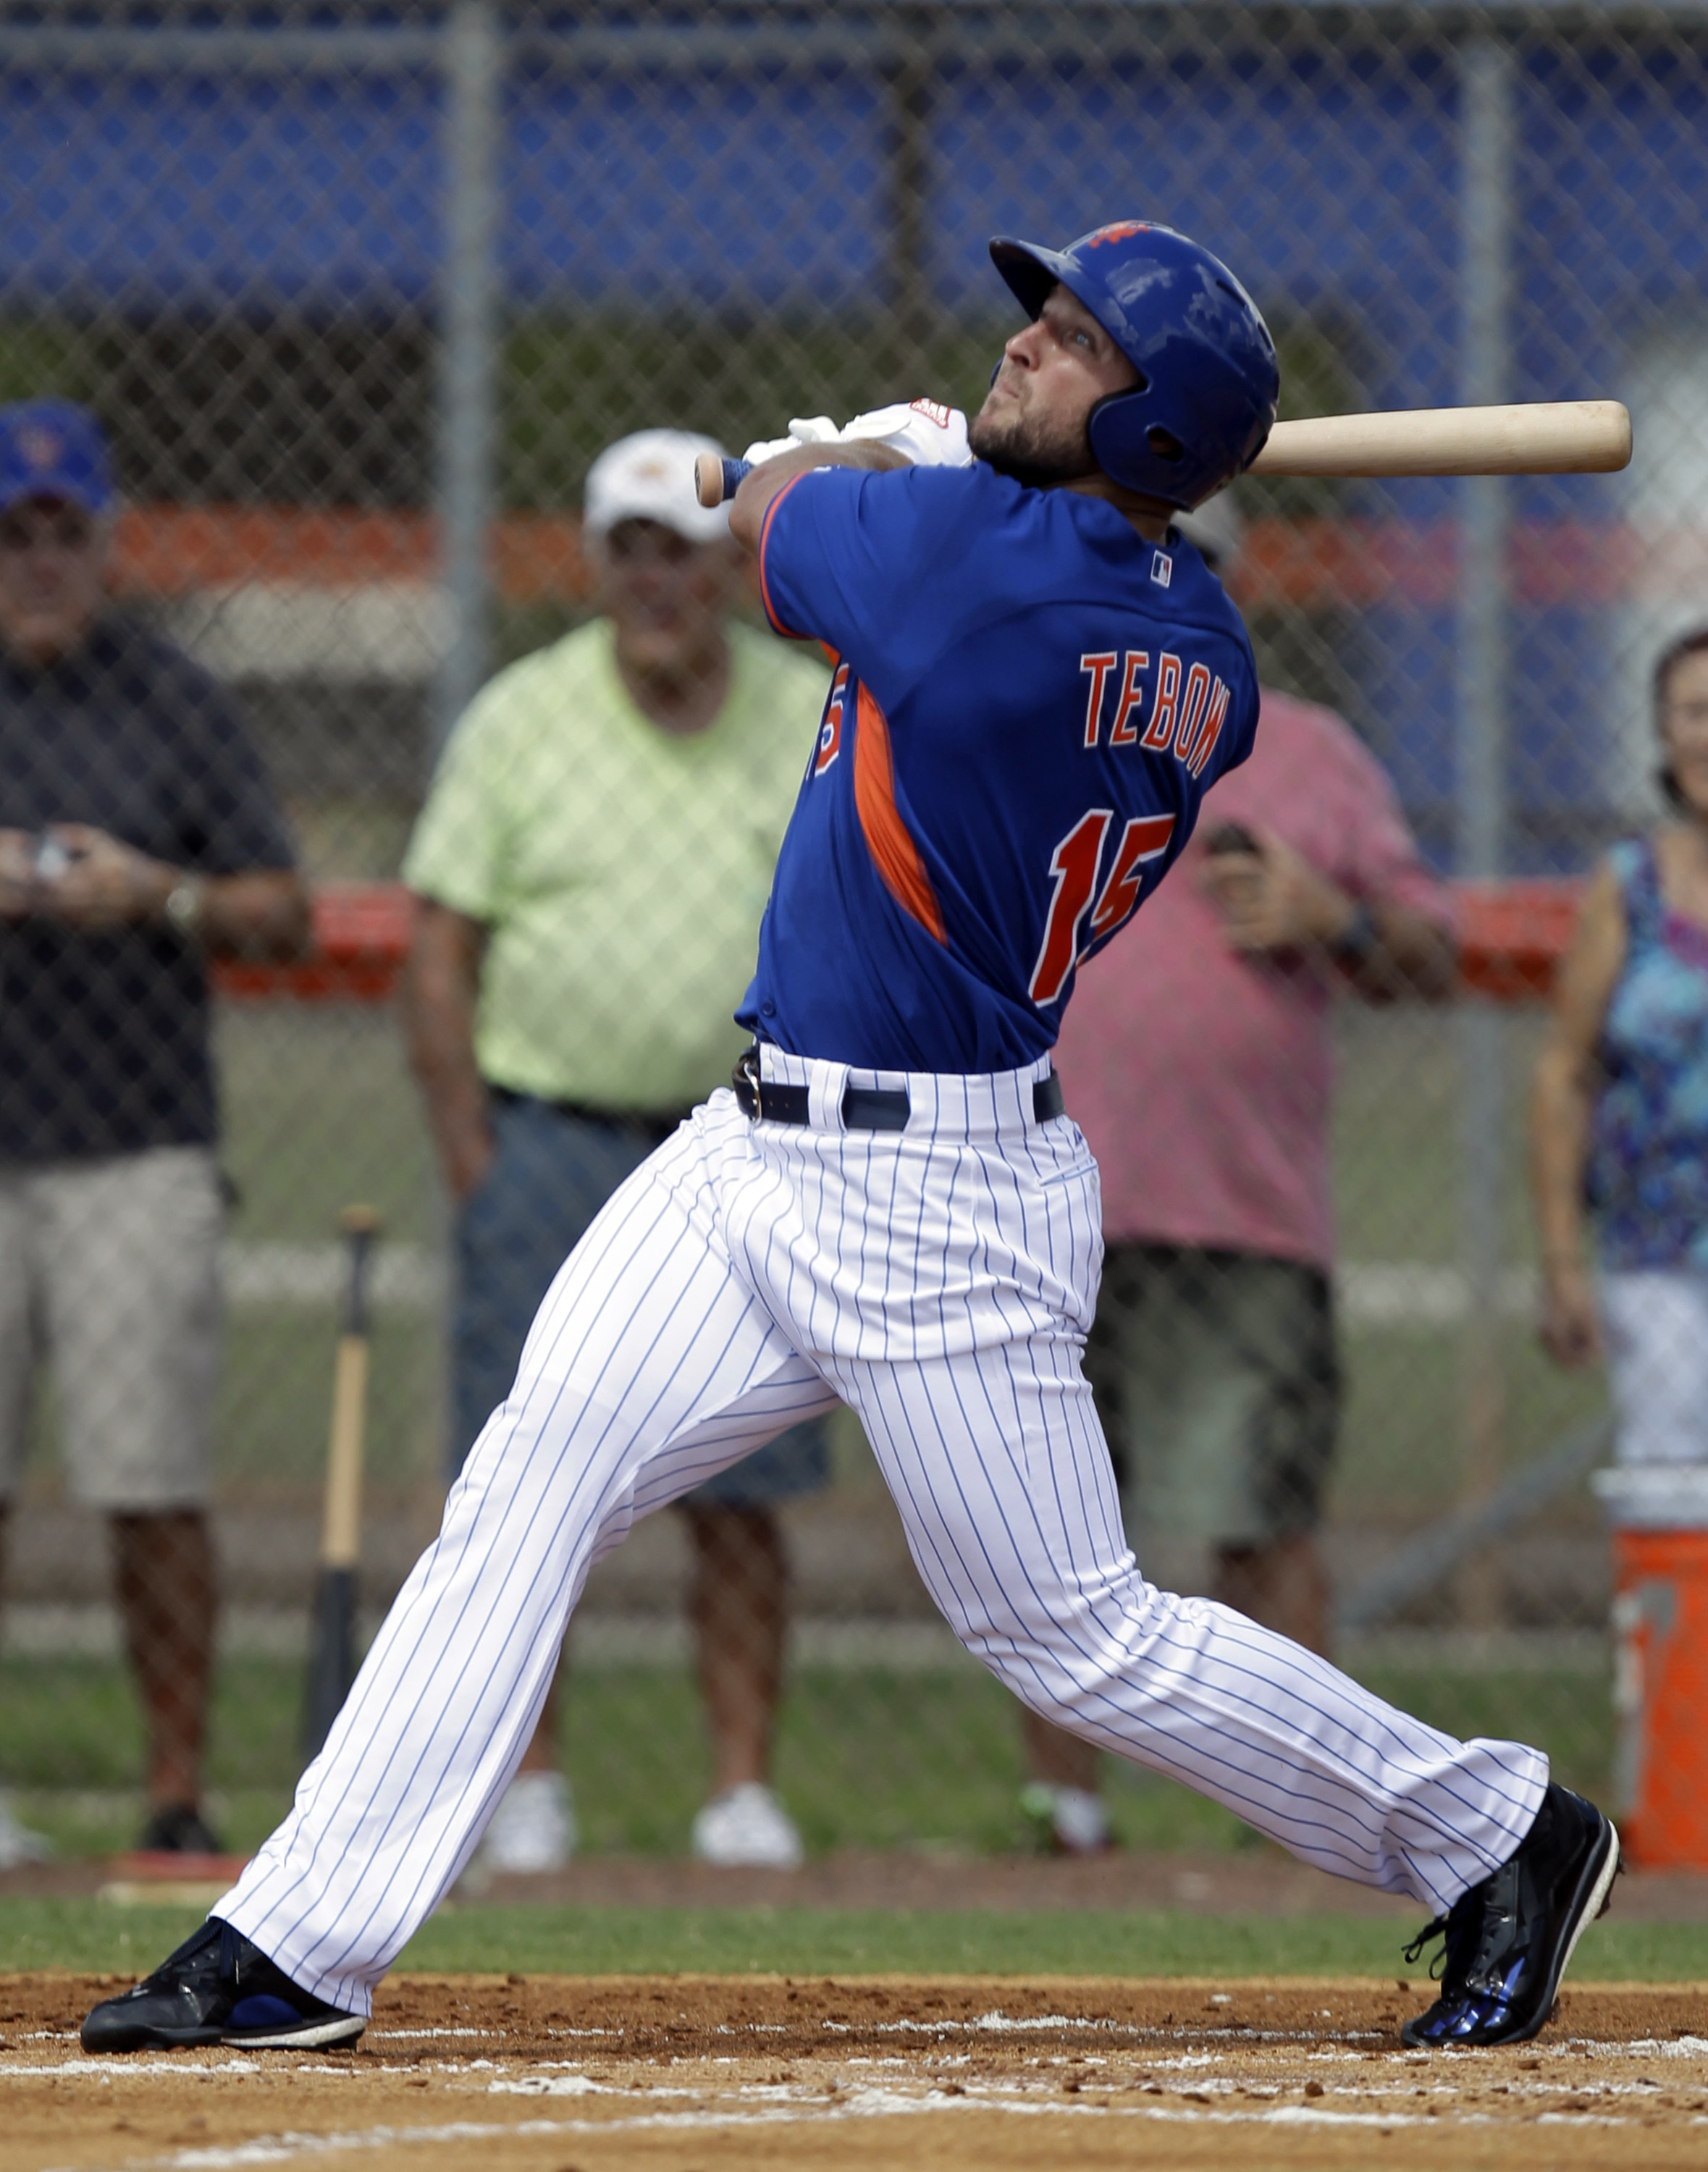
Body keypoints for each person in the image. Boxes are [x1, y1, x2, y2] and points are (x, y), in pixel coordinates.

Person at [84, 221, 1615, 2059]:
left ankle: (1497, 1824)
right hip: (753, 1152)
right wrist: (963, 454)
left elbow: (765, 520)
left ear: (1149, 443)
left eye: (1071, 347)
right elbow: (1002, 536)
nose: (1024, 352)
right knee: (530, 1478)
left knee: (1076, 1635)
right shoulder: (1194, 636)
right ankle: (298, 1937)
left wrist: (868, 452)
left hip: (934, 1202)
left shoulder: (979, 597)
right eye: (1033, 325)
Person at [400, 430, 835, 1872]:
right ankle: (525, 1778)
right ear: (596, 565)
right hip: (554, 1138)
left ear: (730, 567)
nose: (658, 580)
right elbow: (441, 949)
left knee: (746, 1490)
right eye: (631, 550)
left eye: (686, 552)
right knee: (531, 1482)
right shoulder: (521, 719)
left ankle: (740, 1788)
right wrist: (477, 1151)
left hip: (752, 1146)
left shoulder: (808, 710)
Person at [1017, 492, 1458, 1855]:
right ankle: (1064, 1818)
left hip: (1241, 1208)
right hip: (1043, 1198)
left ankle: (1306, 1821)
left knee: (1255, 1520)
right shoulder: (1035, 729)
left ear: (1227, 585)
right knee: (1042, 1531)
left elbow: (1428, 951)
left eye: (1183, 563)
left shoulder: (1307, 753)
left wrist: (1340, 919)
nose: (1159, 585)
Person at [0, 398, 308, 1863]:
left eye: (65, 533)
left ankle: (175, 1795)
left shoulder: (174, 700)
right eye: (16, 533)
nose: (40, 560)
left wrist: (157, 890)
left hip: (136, 1139)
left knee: (152, 1485)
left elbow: (283, 906)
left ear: (106, 545)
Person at [1532, 624, 1708, 1459]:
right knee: (1668, 1487)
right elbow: (1565, 1075)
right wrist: (1563, 1263)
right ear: (1663, 733)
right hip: (1657, 1258)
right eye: (1693, 712)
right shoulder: (1628, 888)